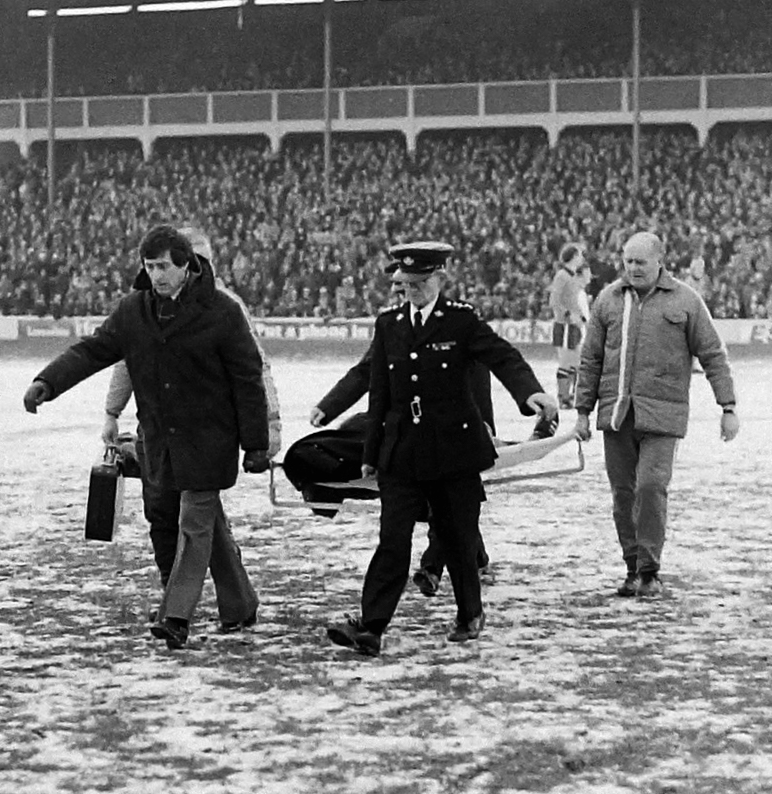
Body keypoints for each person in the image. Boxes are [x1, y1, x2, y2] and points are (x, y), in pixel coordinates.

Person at [24, 225, 270, 650]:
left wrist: (257, 443)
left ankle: (175, 616)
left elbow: (248, 379)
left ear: (186, 265)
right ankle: (240, 603)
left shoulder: (222, 312)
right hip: (158, 440)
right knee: (207, 523)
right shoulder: (133, 311)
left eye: (163, 266)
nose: (156, 275)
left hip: (209, 440)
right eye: (149, 266)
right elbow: (94, 350)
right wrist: (48, 382)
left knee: (193, 525)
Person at [326, 241, 560, 656]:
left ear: (439, 279)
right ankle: (371, 627)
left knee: (457, 536)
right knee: (392, 540)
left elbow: (503, 357)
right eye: (406, 284)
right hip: (402, 453)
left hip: (454, 450)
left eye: (419, 284)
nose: (410, 292)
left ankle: (470, 613)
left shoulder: (460, 323)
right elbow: (378, 392)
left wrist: (531, 395)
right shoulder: (389, 325)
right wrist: (369, 453)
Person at [102, 227, 282, 589]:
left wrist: (267, 428)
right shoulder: (146, 305)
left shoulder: (225, 307)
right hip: (157, 430)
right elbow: (125, 361)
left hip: (204, 434)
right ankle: (209, 596)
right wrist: (112, 410)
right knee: (167, 514)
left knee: (195, 517)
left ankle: (189, 606)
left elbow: (253, 370)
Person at [307, 262, 499, 596]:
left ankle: (437, 568)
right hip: (409, 428)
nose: (400, 291)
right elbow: (367, 372)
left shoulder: (458, 320)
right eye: (397, 286)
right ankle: (472, 558)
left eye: (406, 284)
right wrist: (329, 406)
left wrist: (482, 426)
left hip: (456, 425)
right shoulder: (393, 325)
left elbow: (478, 376)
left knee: (451, 497)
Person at [573, 231, 739, 600]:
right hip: (617, 415)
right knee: (623, 494)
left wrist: (727, 407)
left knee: (650, 488)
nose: (632, 268)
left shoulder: (685, 300)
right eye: (627, 261)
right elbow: (591, 360)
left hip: (663, 417)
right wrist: (582, 411)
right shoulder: (608, 300)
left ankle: (650, 570)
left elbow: (712, 355)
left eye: (640, 262)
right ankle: (632, 569)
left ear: (659, 261)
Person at [547, 243, 590, 410]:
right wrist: (567, 314)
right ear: (573, 257)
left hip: (572, 325)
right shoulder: (562, 276)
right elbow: (554, 300)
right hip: (564, 324)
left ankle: (569, 395)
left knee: (574, 361)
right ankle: (563, 398)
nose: (581, 258)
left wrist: (580, 317)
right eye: (579, 255)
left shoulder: (571, 276)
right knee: (566, 361)